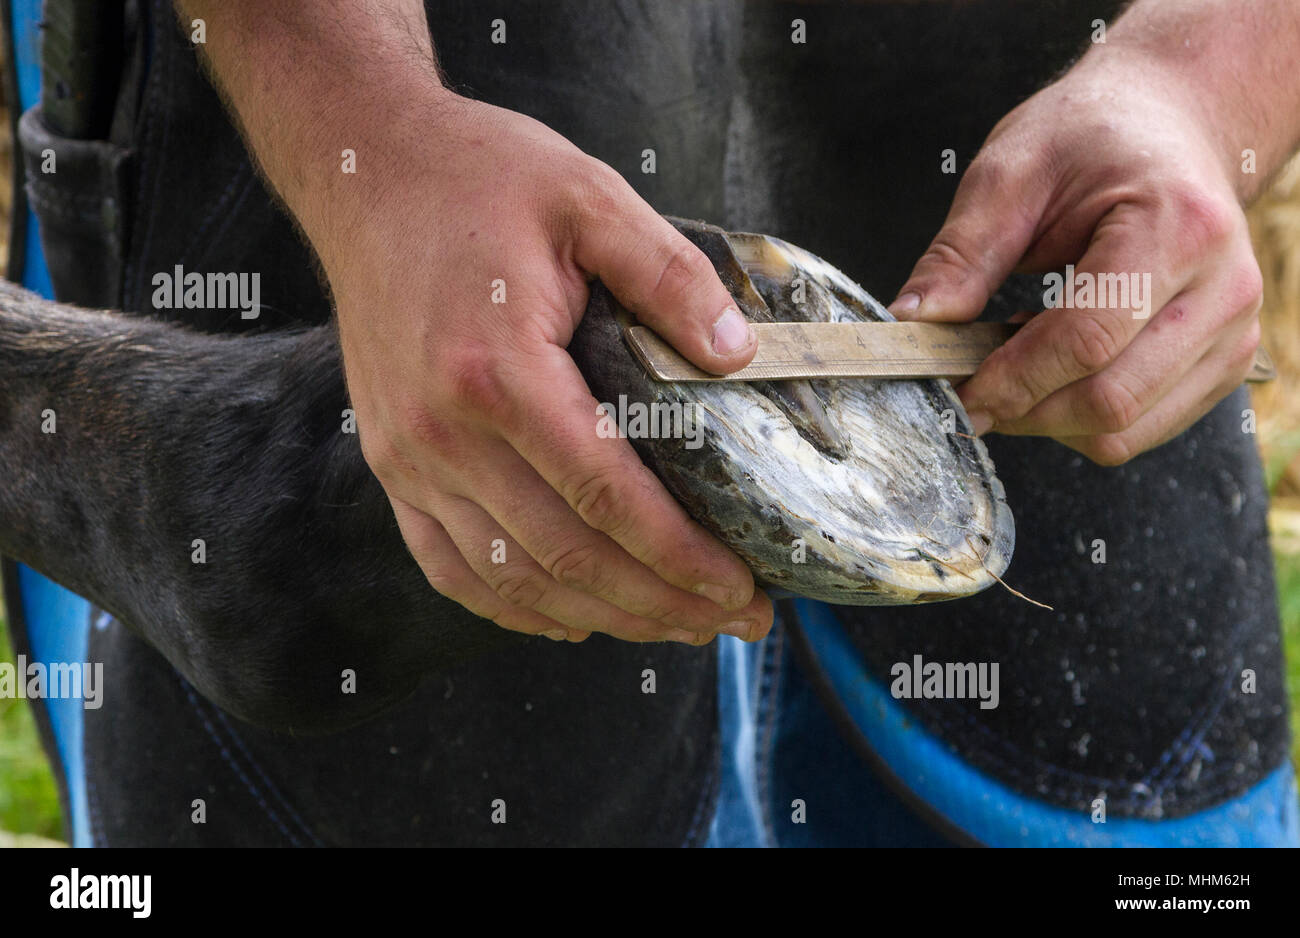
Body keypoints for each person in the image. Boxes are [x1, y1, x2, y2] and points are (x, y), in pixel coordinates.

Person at [5, 0, 1297, 845]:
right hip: (391, 123)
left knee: (1123, 801)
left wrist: (1204, 84)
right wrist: (372, 144)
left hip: (1013, 106)